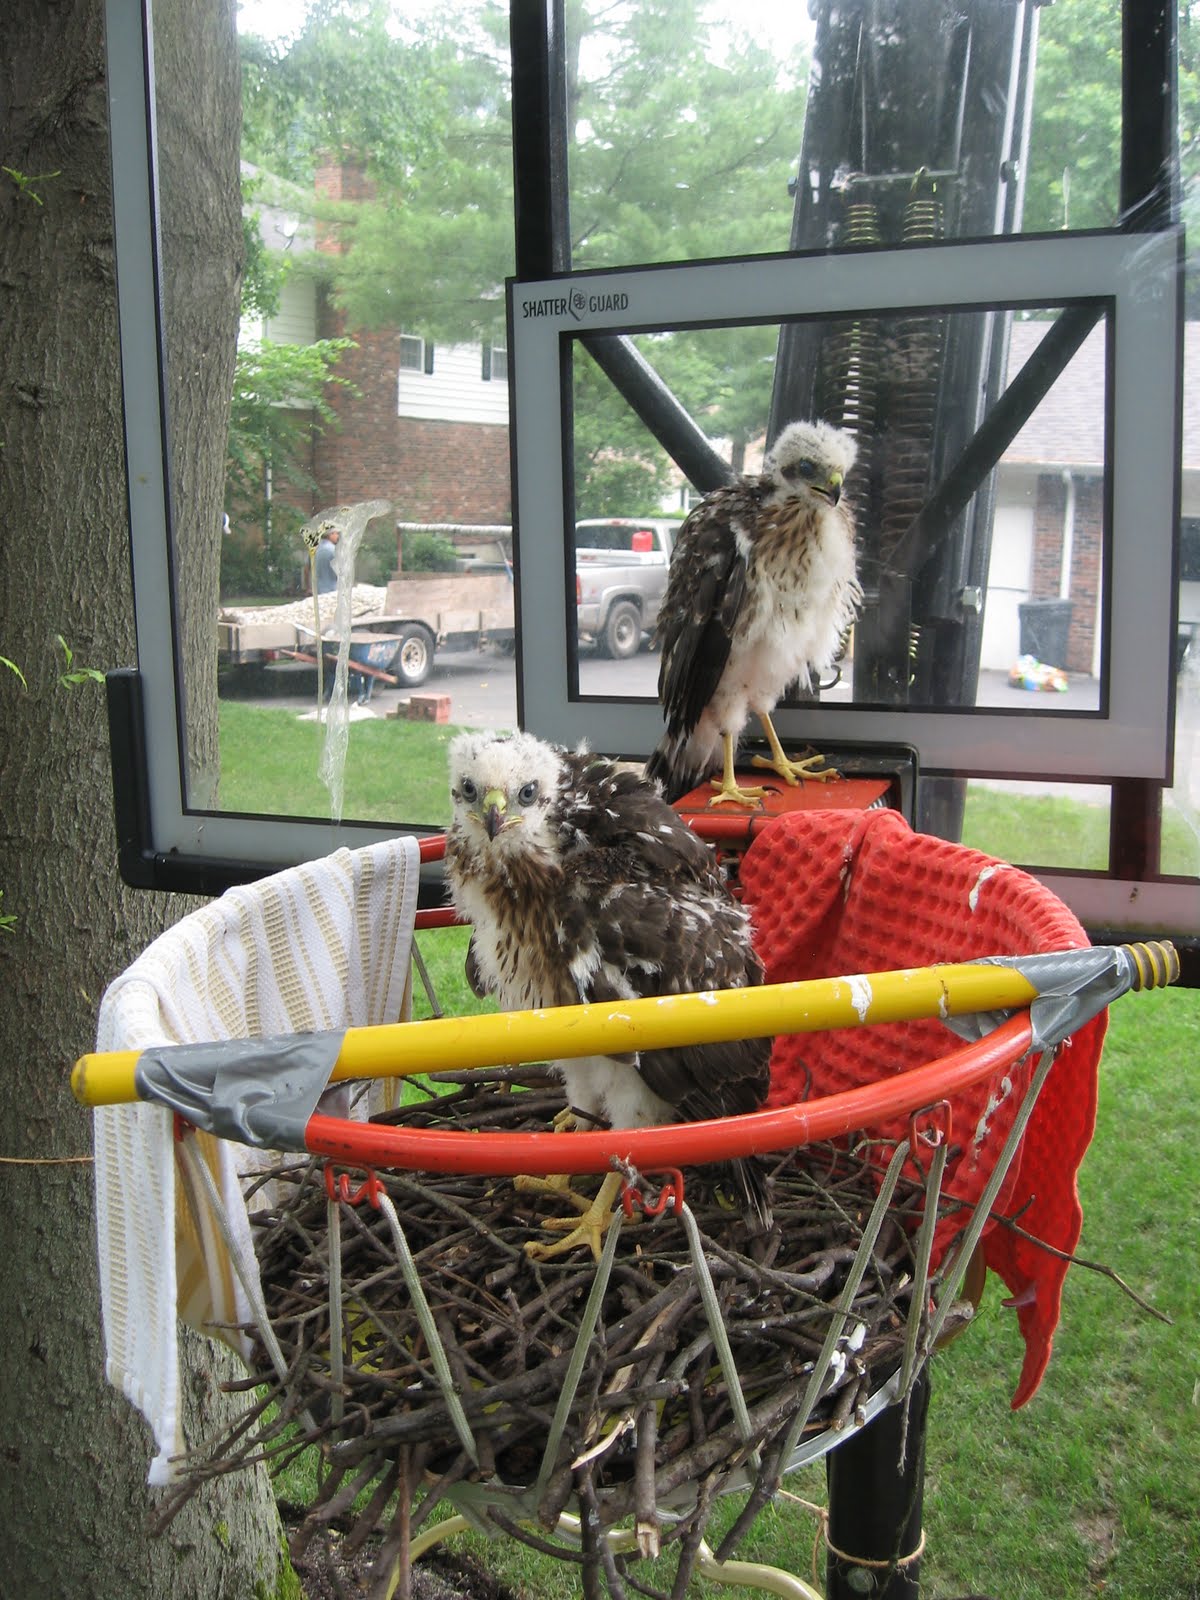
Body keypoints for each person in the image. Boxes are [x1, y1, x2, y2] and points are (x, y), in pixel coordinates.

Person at [314, 526, 340, 594]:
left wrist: (308, 588)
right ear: (330, 534)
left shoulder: (315, 549)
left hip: (318, 590)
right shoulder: (334, 550)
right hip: (333, 590)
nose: (338, 536)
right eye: (336, 533)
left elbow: (306, 569)